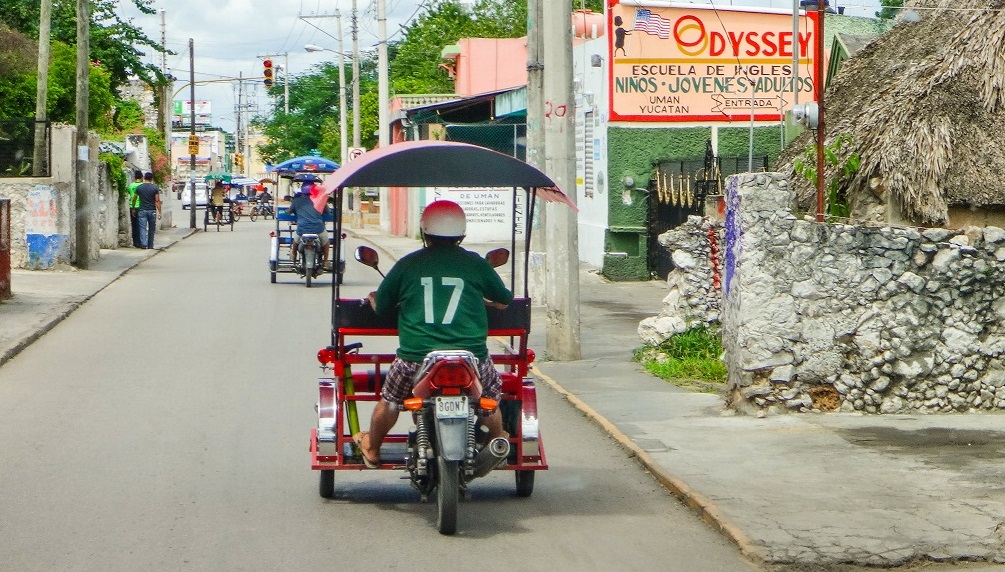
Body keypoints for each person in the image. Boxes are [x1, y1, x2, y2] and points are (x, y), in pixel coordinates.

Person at [353, 200, 514, 468]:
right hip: (471, 356)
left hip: (416, 356)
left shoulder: (408, 264)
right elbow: (505, 299)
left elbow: (381, 307)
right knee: (489, 401)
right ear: (462, 234)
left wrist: (373, 299)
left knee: (390, 401)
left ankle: (371, 447)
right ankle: (497, 442)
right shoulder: (475, 264)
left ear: (424, 232)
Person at [287, 181, 330, 271]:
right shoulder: (320, 199)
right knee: (326, 243)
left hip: (302, 229)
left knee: (295, 241)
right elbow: (328, 212)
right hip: (318, 228)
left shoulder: (296, 200)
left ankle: (293, 253)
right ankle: (325, 261)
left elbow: (289, 211)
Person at [134, 172, 161, 249]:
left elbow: (134, 198)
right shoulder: (154, 188)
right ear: (151, 179)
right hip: (152, 210)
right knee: (151, 228)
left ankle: (143, 244)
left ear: (144, 178)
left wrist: (133, 208)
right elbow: (157, 200)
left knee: (142, 228)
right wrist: (159, 212)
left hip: (142, 210)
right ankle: (150, 245)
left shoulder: (139, 188)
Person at [127, 170, 143, 247]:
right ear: (142, 177)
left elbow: (129, 194)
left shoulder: (130, 185)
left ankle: (135, 242)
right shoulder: (142, 186)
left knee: (134, 225)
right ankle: (141, 242)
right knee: (141, 225)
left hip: (132, 207)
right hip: (141, 206)